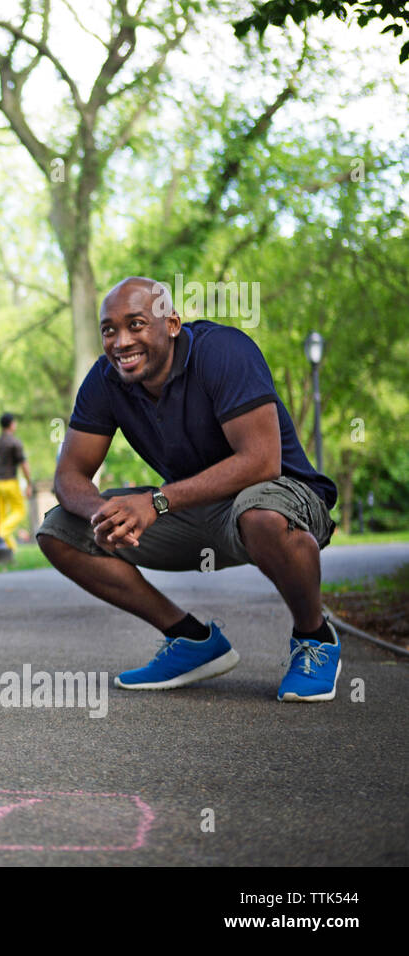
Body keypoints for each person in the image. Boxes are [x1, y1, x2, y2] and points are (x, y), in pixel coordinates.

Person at [36, 276, 341, 702]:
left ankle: (315, 638)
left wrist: (157, 502)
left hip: (281, 497)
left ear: (172, 325)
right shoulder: (106, 379)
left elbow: (261, 460)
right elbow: (69, 475)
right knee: (59, 531)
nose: (121, 341)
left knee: (262, 515)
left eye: (136, 324)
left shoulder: (223, 352)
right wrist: (99, 515)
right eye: (109, 329)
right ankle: (190, 640)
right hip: (192, 510)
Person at [0, 412, 34, 550]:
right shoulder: (14, 443)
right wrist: (29, 483)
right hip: (10, 482)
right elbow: (24, 464)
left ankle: (11, 549)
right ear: (11, 424)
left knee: (2, 518)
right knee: (19, 511)